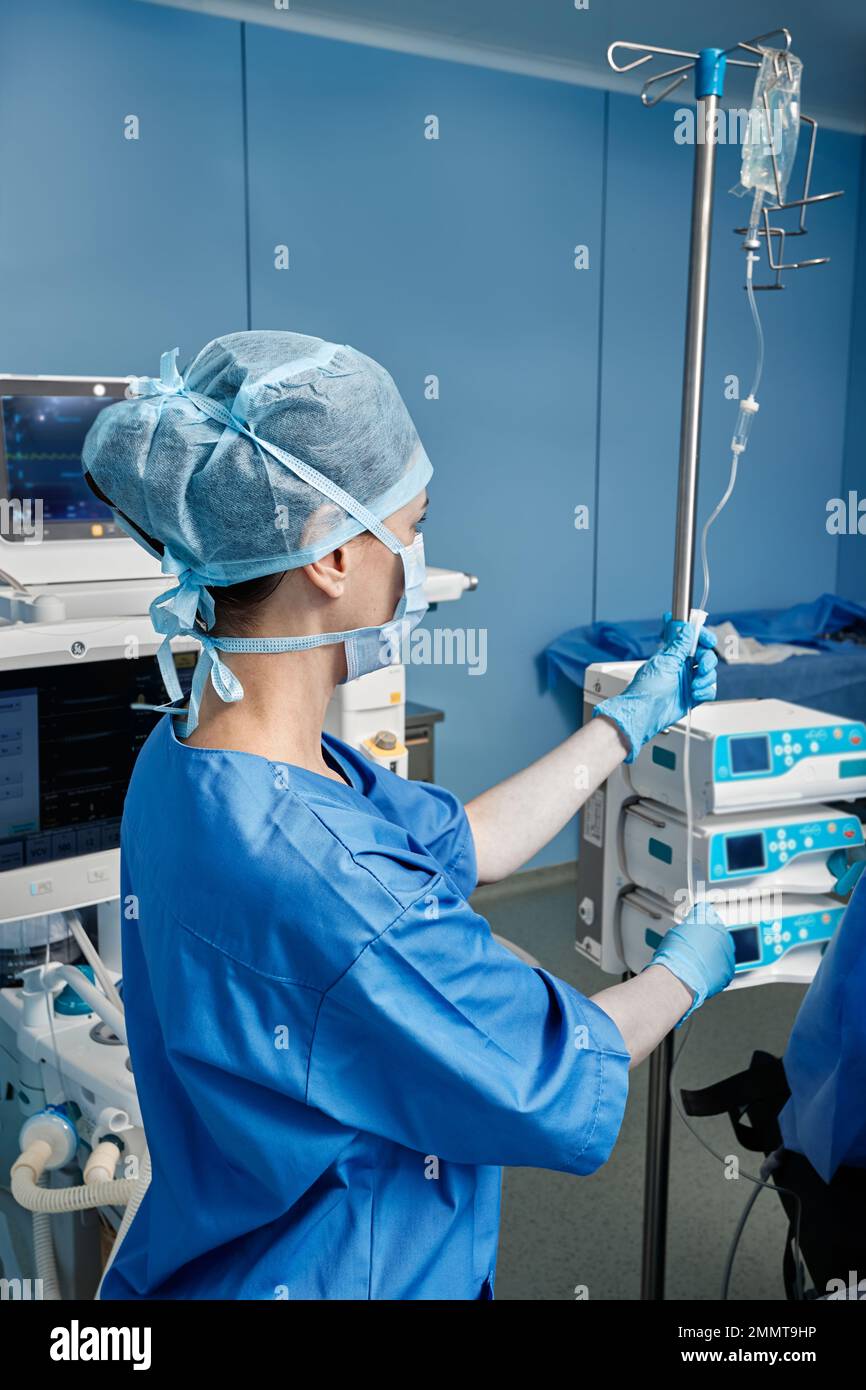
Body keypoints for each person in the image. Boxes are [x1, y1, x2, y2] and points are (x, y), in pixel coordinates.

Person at [82, 331, 733, 1301]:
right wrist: (695, 965)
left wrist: (623, 725)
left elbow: (459, 843)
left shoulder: (188, 758)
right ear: (335, 555)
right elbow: (545, 1071)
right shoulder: (322, 881)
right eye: (410, 527)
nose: (416, 564)